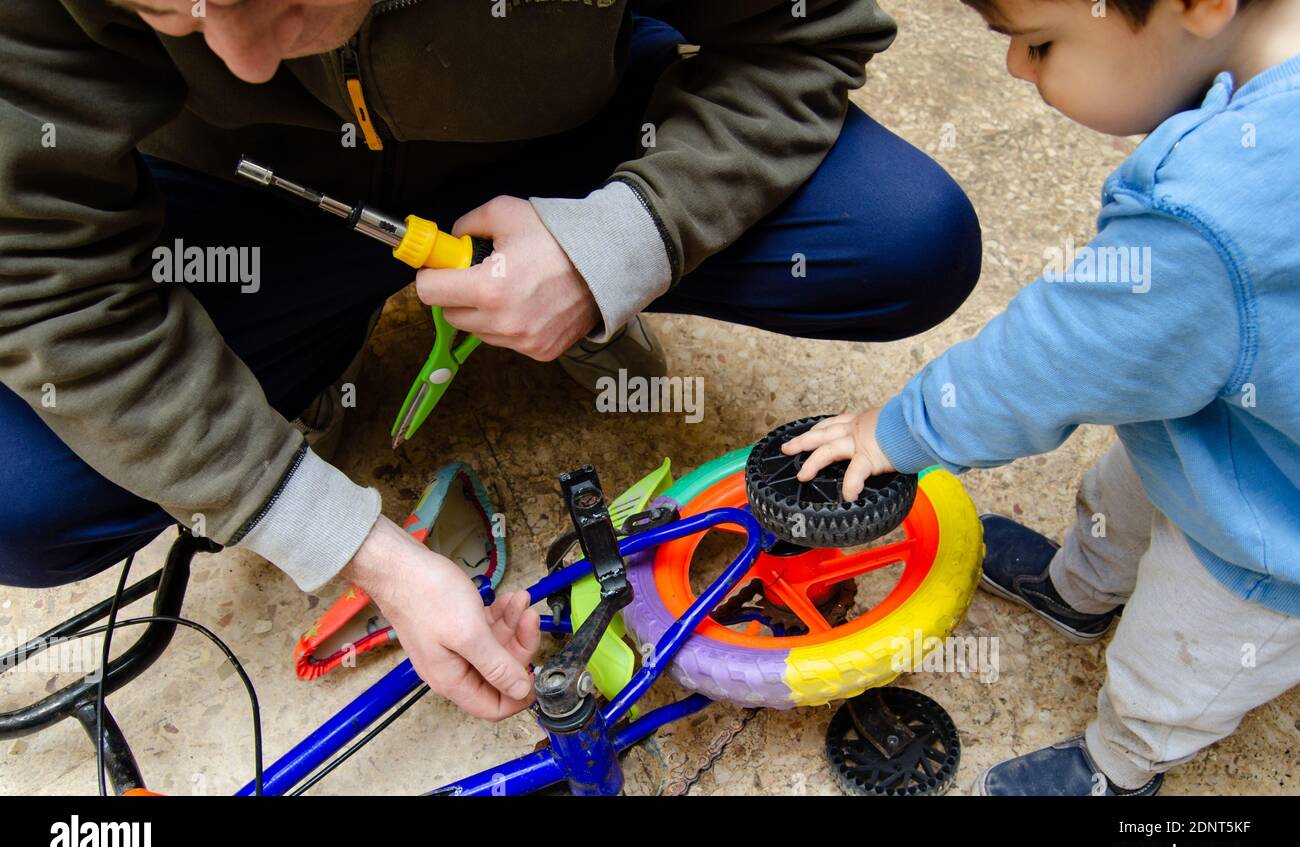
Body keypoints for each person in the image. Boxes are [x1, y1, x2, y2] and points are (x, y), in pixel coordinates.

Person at [0, 0, 981, 721]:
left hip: (554, 143)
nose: (241, 60)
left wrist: (623, 239)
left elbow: (810, 34)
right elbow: (49, 279)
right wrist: (358, 549)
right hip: (243, 191)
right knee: (23, 500)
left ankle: (535, 290)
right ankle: (297, 354)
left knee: (905, 237)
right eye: (168, 8)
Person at [784, 0, 1300, 794]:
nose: (1015, 68)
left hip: (1270, 519)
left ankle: (1122, 762)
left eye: (1040, 42)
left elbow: (1059, 353)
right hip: (1229, 419)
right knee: (1118, 495)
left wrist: (898, 428)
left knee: (1179, 654)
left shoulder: (1211, 214)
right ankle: (1078, 591)